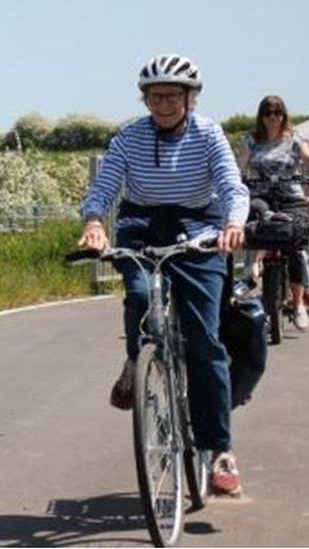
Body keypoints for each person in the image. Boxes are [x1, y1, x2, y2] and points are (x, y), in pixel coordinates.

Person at [78, 54, 249, 495]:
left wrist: (233, 224)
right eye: (156, 96)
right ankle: (138, 358)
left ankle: (220, 449)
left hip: (199, 232)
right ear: (145, 99)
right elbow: (105, 185)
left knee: (205, 339)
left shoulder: (209, 134)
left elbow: (232, 184)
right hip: (141, 227)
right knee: (137, 290)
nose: (165, 103)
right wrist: (95, 221)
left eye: (174, 95)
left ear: (190, 98)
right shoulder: (130, 138)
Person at [236, 95, 309, 329]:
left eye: (277, 113)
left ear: (283, 115)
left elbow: (307, 159)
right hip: (262, 195)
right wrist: (235, 186)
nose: (273, 118)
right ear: (261, 116)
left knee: (296, 246)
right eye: (268, 113)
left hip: (291, 196)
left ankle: (298, 304)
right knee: (256, 216)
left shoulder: (294, 139)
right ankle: (253, 266)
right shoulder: (252, 140)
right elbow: (240, 166)